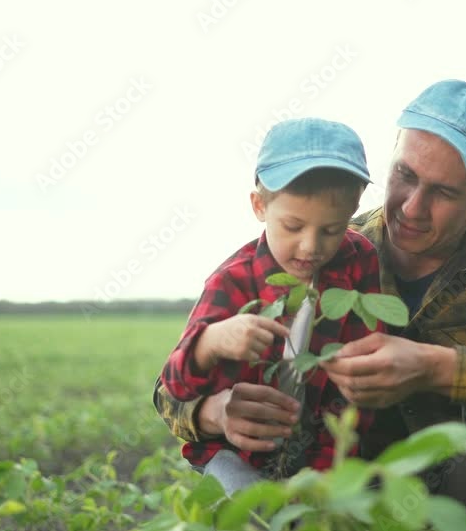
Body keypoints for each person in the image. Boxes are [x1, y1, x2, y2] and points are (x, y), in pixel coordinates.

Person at [154, 80, 466, 519]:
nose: (411, 207)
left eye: (444, 192)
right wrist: (213, 411)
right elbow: (170, 391)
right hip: (373, 501)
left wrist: (434, 366)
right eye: (405, 175)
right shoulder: (333, 249)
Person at [155, 117, 383, 494]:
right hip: (239, 452)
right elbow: (174, 387)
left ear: (354, 209)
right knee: (250, 511)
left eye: (331, 230)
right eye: (293, 227)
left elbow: (358, 381)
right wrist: (210, 342)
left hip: (324, 449)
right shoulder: (233, 282)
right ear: (259, 206)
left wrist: (326, 475)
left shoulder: (358, 259)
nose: (311, 247)